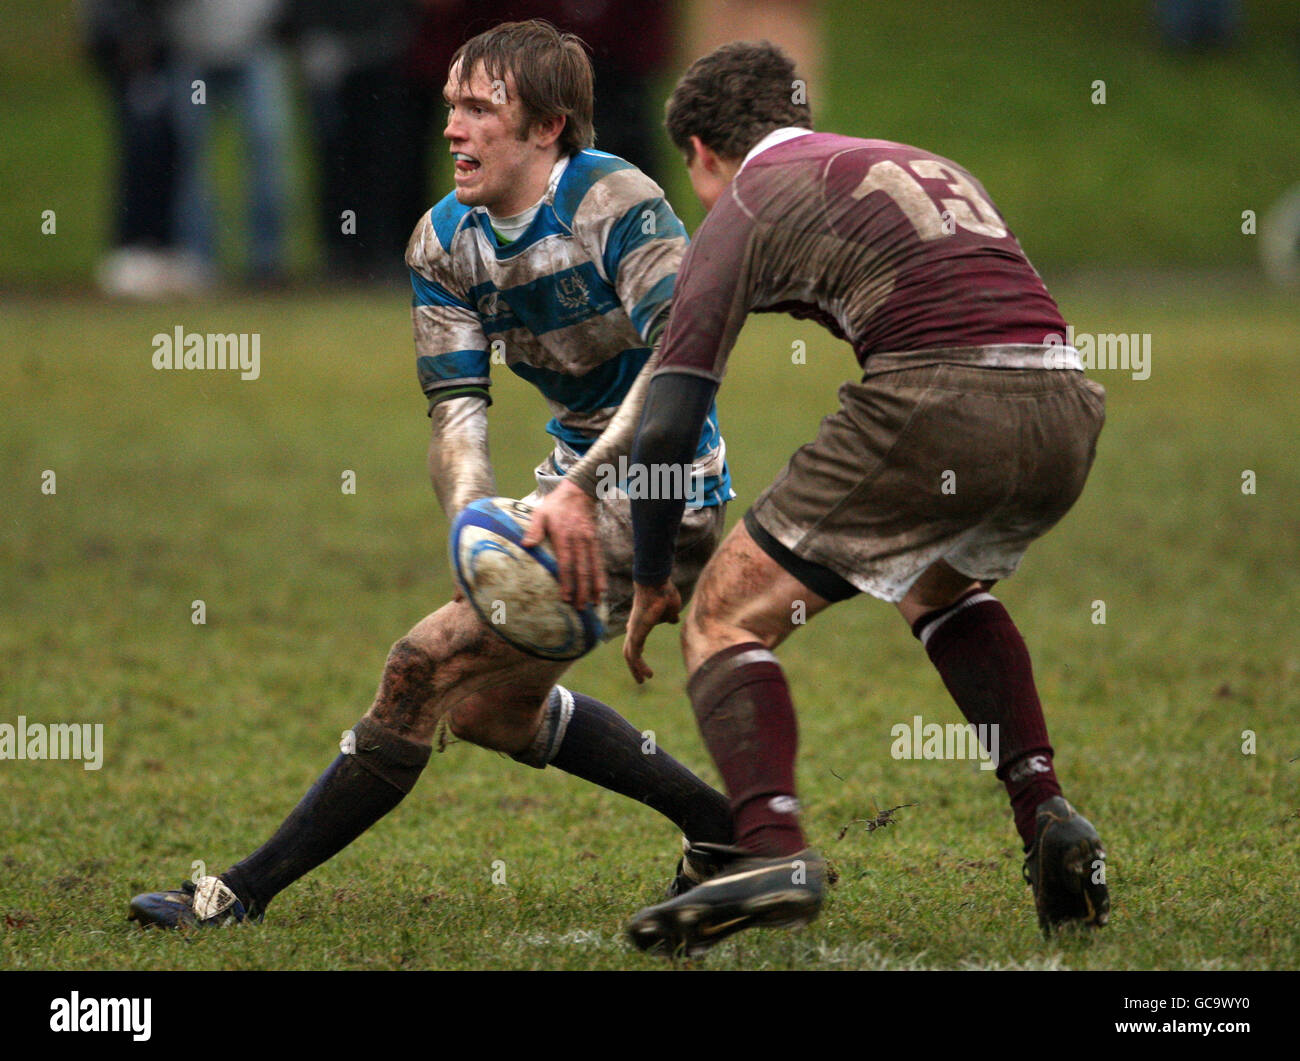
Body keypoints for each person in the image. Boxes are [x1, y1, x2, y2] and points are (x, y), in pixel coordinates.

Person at [128, 20, 736, 931]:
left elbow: (683, 362)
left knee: (420, 664)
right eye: (451, 103)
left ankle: (240, 893)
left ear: (547, 128)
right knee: (492, 710)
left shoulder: (616, 199)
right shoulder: (443, 239)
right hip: (568, 476)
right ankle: (722, 829)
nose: (452, 126)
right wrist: (472, 516)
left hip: (666, 483)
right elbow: (457, 411)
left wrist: (577, 490)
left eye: (480, 108)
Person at [620, 40, 1111, 956]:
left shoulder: (749, 196)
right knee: (937, 583)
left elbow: (668, 418)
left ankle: (771, 848)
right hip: (1067, 409)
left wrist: (654, 572)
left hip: (942, 402)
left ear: (699, 152)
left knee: (723, 620)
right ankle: (1046, 810)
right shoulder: (910, 161)